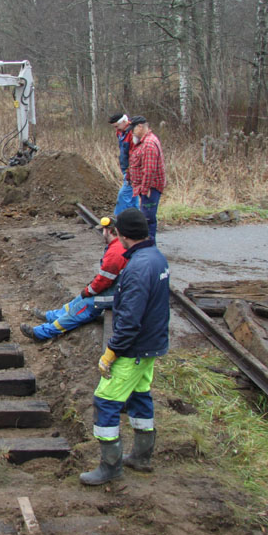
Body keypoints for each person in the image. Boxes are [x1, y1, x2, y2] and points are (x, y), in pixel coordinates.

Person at [80, 207, 170, 486]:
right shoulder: (155, 257)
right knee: (140, 395)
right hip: (151, 343)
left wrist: (112, 352)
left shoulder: (137, 268)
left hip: (134, 349)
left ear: (121, 234)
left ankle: (110, 466)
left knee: (105, 401)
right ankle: (141, 456)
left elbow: (130, 320)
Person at [20, 216, 128, 342]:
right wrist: (88, 290)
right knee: (81, 298)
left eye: (103, 230)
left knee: (83, 307)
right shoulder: (116, 246)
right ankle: (52, 316)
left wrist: (89, 291)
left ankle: (41, 333)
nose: (102, 233)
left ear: (109, 231)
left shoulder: (115, 251)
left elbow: (104, 280)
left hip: (117, 295)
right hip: (116, 290)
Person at [126, 116, 166, 240]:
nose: (132, 132)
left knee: (147, 219)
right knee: (146, 218)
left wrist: (145, 189)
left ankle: (149, 245)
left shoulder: (148, 144)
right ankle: (147, 244)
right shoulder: (143, 142)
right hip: (146, 187)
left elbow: (149, 170)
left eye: (133, 129)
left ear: (140, 126)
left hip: (150, 188)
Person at [108, 113, 140, 216]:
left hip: (133, 169)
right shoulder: (120, 132)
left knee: (123, 195)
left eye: (117, 126)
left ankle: (119, 219)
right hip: (126, 167)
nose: (116, 129)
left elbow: (135, 154)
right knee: (133, 197)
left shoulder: (133, 133)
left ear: (125, 122)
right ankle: (136, 219)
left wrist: (131, 169)